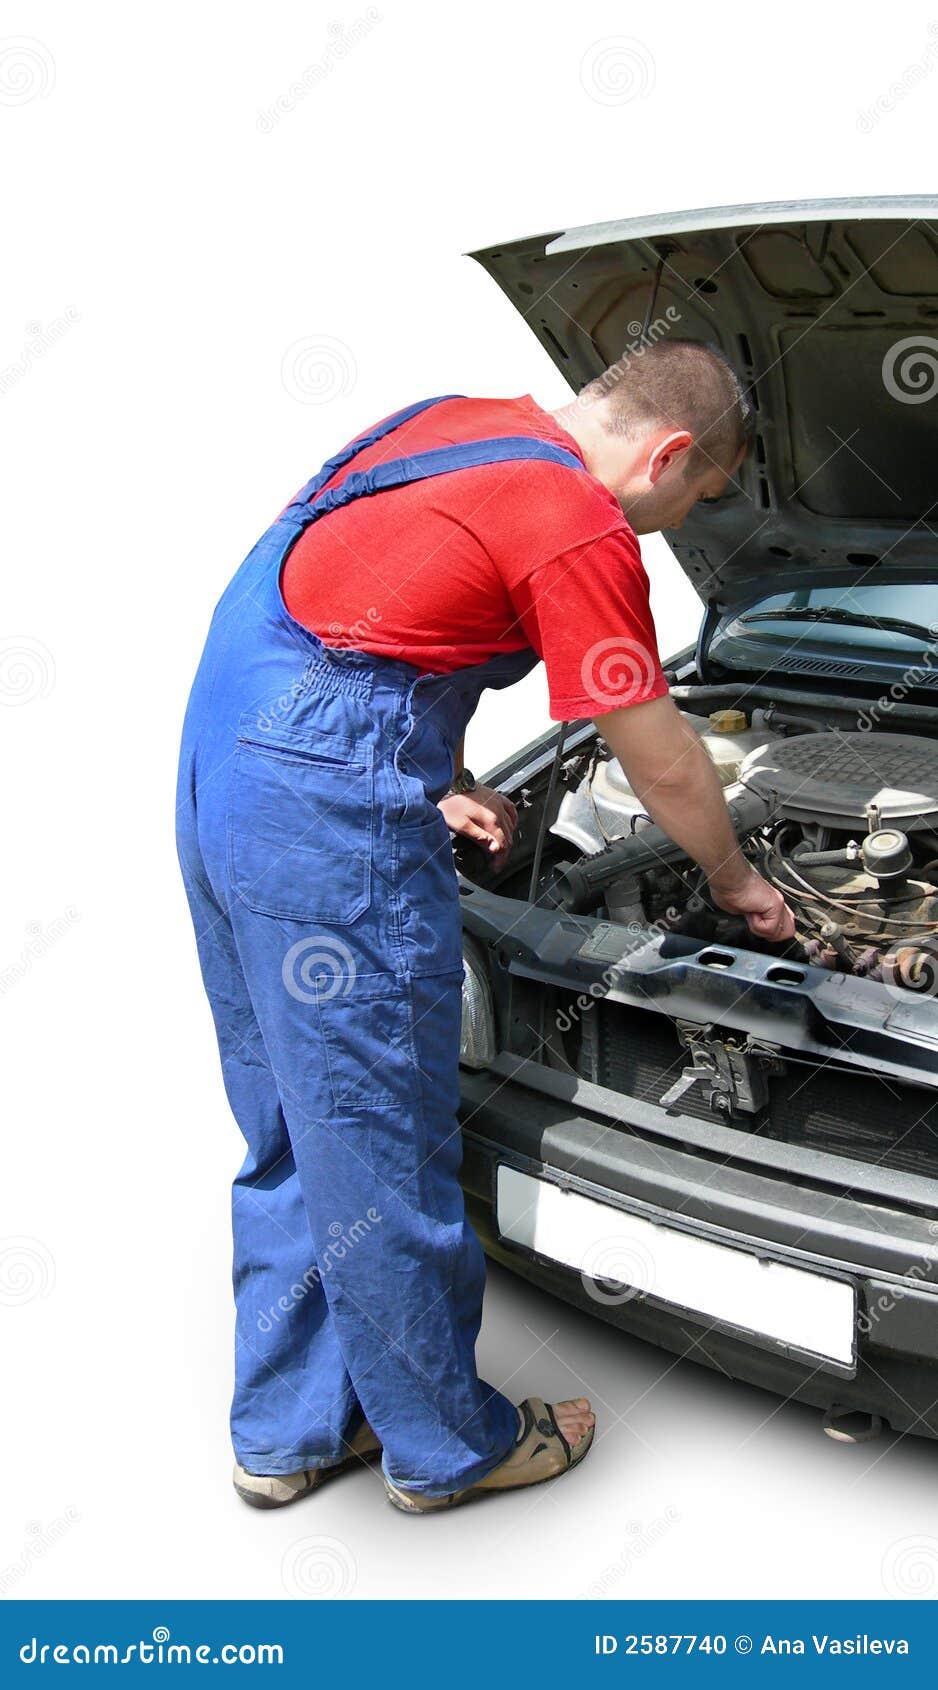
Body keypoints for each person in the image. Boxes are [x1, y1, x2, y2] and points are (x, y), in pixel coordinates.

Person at [175, 339, 795, 1515]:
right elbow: (659, 758)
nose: (676, 524)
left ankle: (288, 1431)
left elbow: (391, 607)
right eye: (695, 497)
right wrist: (733, 880)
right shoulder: (575, 523)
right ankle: (445, 1447)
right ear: (667, 452)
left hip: (226, 771)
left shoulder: (451, 421)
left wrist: (437, 773)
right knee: (380, 1135)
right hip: (322, 818)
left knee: (296, 1123)